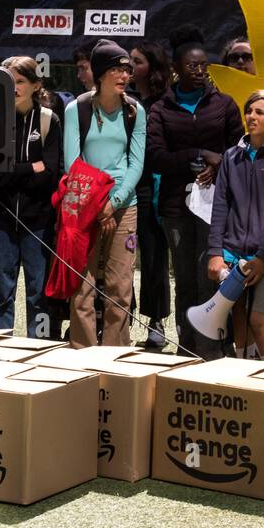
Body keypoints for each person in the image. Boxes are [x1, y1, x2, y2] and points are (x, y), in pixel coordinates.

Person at [146, 26, 244, 358]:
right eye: (193, 67)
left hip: (216, 205)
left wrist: (218, 164)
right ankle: (187, 346)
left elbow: (239, 150)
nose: (200, 72)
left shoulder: (225, 105)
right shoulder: (161, 108)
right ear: (177, 68)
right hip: (175, 206)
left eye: (204, 66)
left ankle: (214, 347)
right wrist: (195, 156)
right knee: (185, 279)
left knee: (212, 274)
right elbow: (156, 156)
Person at [207, 90, 264, 363]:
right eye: (249, 111)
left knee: (259, 320)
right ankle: (244, 376)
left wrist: (262, 259)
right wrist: (215, 252)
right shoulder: (231, 157)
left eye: (259, 112)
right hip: (231, 254)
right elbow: (220, 206)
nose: (251, 117)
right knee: (238, 317)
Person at [66, 40, 145, 348]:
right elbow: (73, 163)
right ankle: (82, 357)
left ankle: (114, 361)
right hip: (85, 205)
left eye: (126, 69)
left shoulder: (135, 111)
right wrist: (98, 207)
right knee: (81, 287)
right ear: (100, 73)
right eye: (115, 69)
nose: (124, 75)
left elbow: (136, 164)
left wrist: (112, 205)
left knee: (119, 288)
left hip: (124, 206)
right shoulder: (78, 109)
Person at [0, 56, 62, 338]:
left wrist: (10, 170)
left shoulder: (49, 120)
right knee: (3, 286)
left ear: (35, 85)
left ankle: (37, 344)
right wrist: (30, 168)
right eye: (7, 82)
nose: (13, 88)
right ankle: (1, 343)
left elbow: (50, 175)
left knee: (38, 287)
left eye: (19, 82)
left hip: (37, 218)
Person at [129, 41, 172, 349]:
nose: (130, 68)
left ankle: (156, 322)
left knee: (155, 258)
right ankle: (120, 317)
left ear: (153, 67)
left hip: (154, 188)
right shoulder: (125, 102)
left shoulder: (164, 103)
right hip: (126, 187)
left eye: (137, 62)